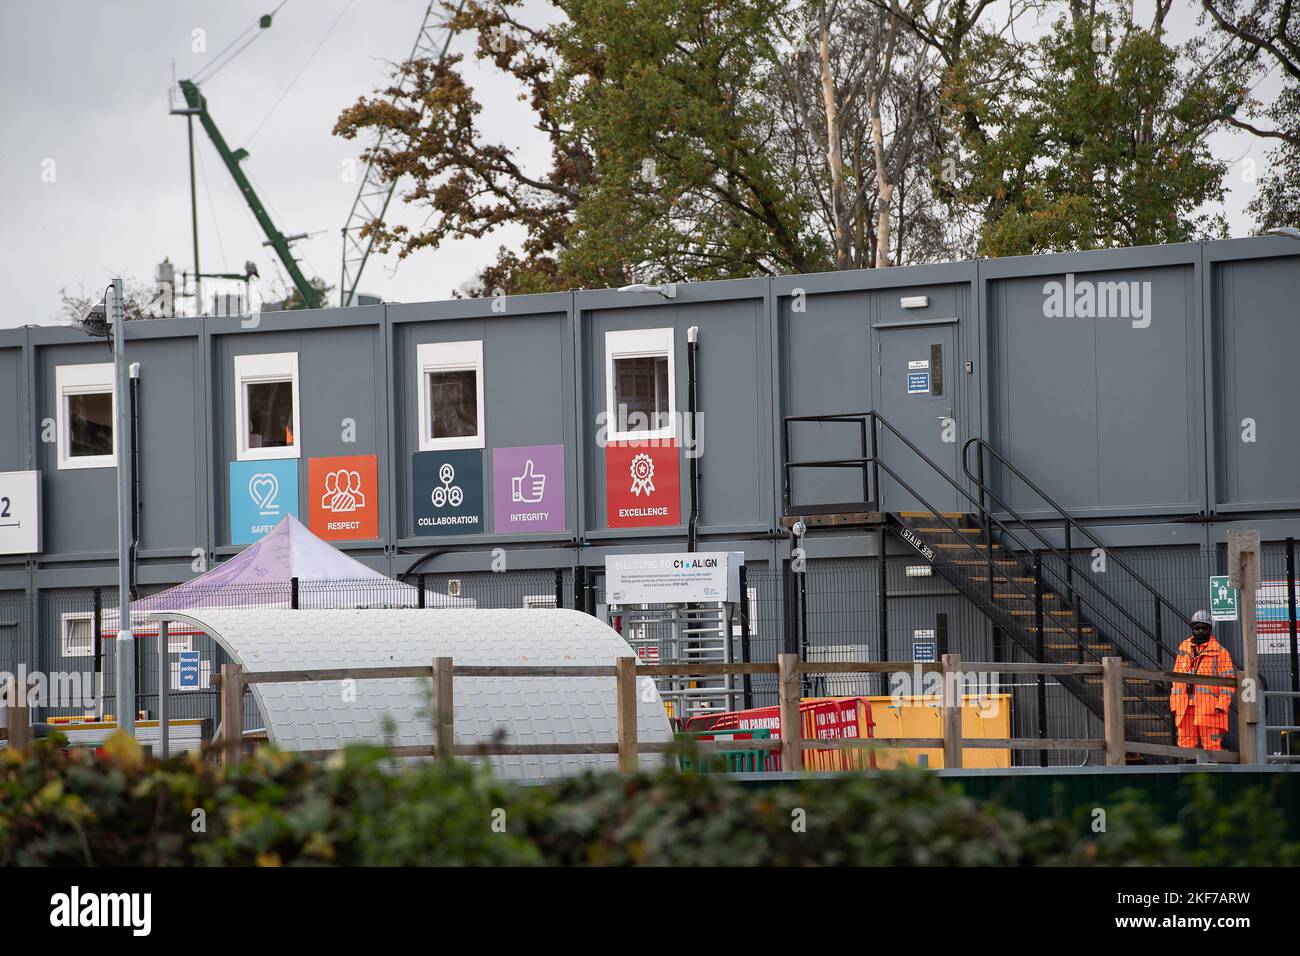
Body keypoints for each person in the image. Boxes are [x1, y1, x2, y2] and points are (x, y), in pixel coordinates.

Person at [1170, 610, 1236, 751]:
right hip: (1184, 707)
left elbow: (1228, 683)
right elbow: (1175, 679)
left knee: (1211, 747)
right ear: (1192, 628)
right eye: (1197, 627)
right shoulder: (1183, 648)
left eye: (1203, 628)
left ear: (1210, 629)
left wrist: (1221, 706)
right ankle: (1189, 773)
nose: (1200, 631)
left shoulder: (1220, 652)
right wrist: (1175, 704)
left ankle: (1212, 773)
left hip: (1210, 709)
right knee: (1186, 747)